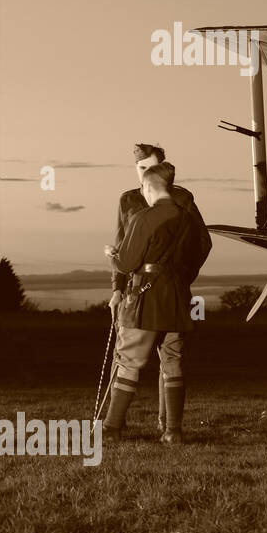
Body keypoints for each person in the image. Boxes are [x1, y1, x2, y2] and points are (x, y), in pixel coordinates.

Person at [101, 162, 212, 444]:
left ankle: (111, 429)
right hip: (178, 297)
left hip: (145, 299)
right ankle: (173, 432)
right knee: (173, 361)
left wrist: (112, 256)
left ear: (148, 187)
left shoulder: (144, 218)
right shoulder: (188, 220)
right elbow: (200, 250)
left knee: (129, 361)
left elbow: (127, 263)